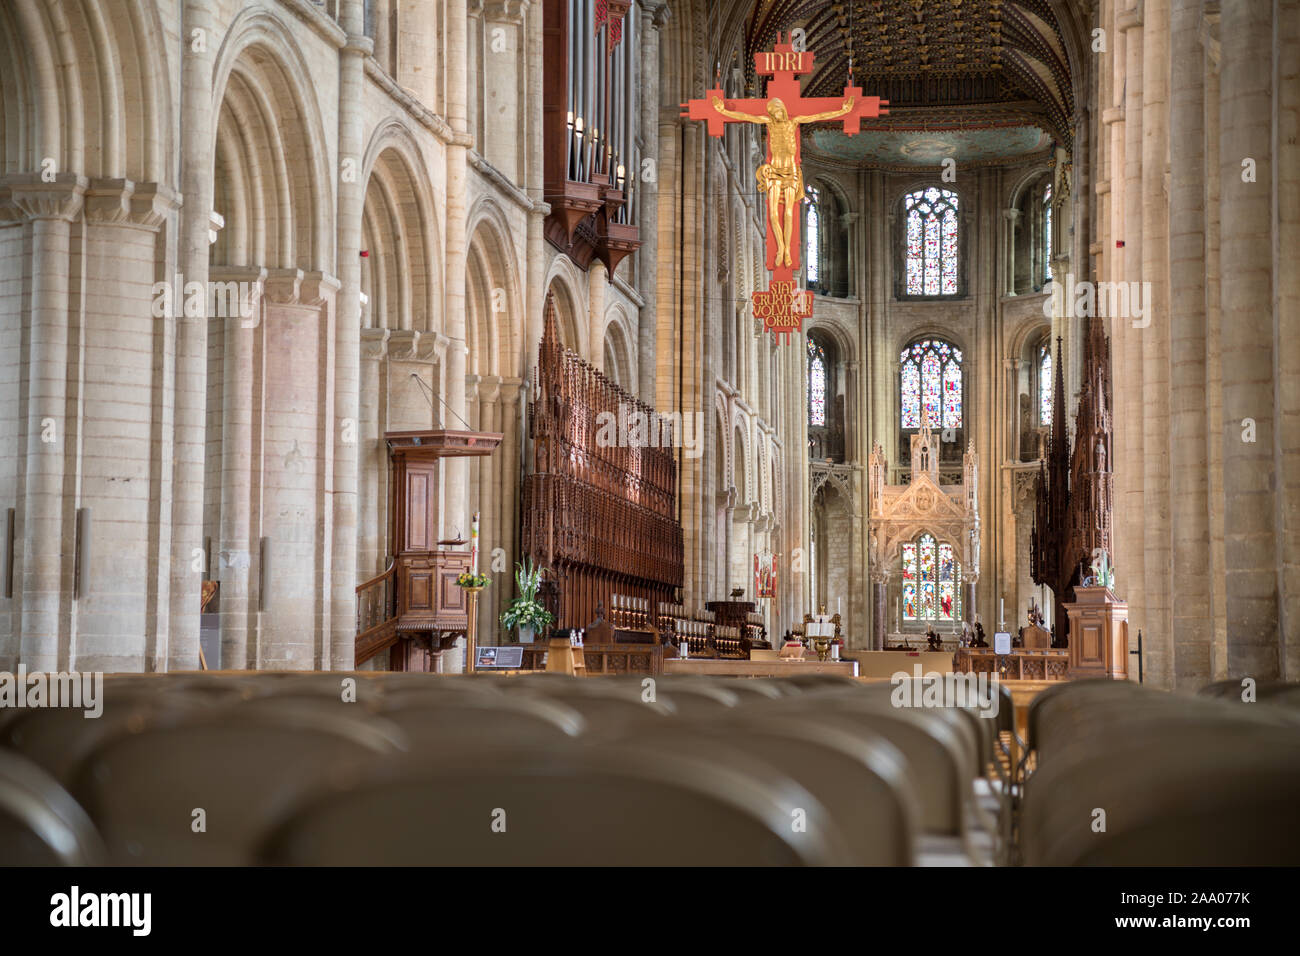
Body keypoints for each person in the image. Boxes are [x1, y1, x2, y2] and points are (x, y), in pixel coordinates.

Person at [711, 94, 855, 267]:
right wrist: (723, 110)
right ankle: (780, 248)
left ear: (782, 110)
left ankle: (787, 250)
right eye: (772, 112)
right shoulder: (769, 123)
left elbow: (818, 116)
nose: (775, 114)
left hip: (790, 172)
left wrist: (843, 110)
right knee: (772, 214)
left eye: (777, 110)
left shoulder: (793, 123)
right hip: (774, 171)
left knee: (787, 213)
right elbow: (746, 116)